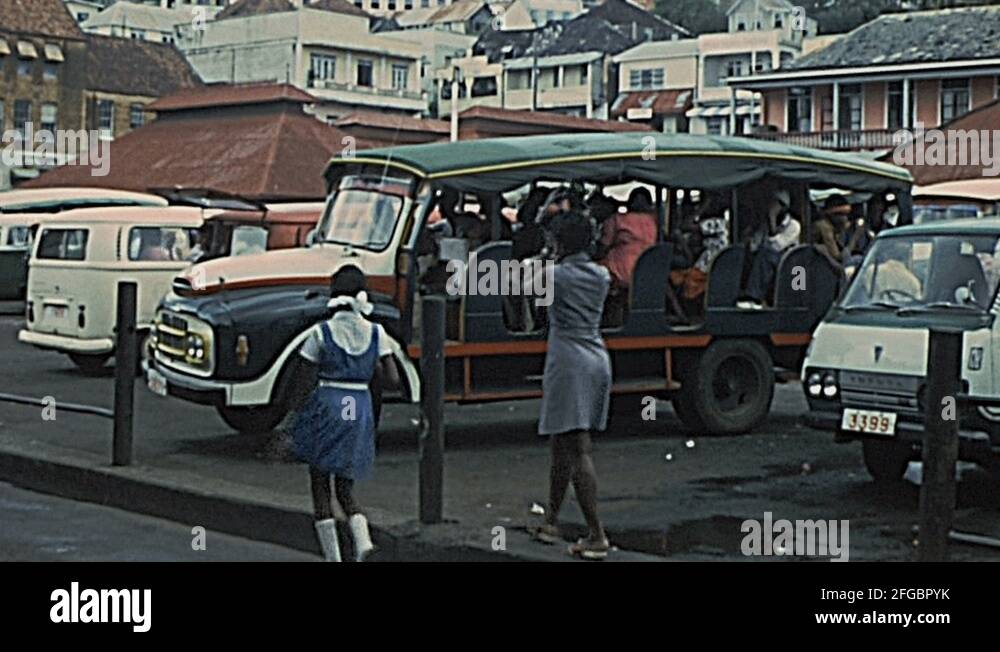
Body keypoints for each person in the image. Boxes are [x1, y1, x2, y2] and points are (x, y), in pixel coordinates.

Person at [289, 266, 400, 562]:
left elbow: (303, 378)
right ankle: (363, 545)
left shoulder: (321, 332)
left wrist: (295, 417)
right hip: (358, 405)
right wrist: (367, 369)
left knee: (320, 485)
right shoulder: (377, 332)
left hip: (329, 403)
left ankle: (333, 557)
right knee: (346, 488)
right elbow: (393, 380)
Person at [532, 212, 612, 560]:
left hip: (567, 360)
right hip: (595, 354)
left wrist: (545, 261)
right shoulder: (602, 275)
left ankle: (597, 534)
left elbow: (537, 303)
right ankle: (551, 519)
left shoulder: (554, 275)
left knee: (577, 446)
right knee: (560, 443)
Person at [596, 187, 658, 325]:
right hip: (649, 272)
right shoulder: (655, 221)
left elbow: (604, 245)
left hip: (622, 271)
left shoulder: (618, 219)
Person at [737, 189, 801, 310]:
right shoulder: (764, 225)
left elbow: (777, 246)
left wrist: (772, 217)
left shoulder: (794, 225)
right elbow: (754, 245)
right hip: (767, 260)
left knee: (767, 255)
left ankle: (754, 297)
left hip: (789, 264)